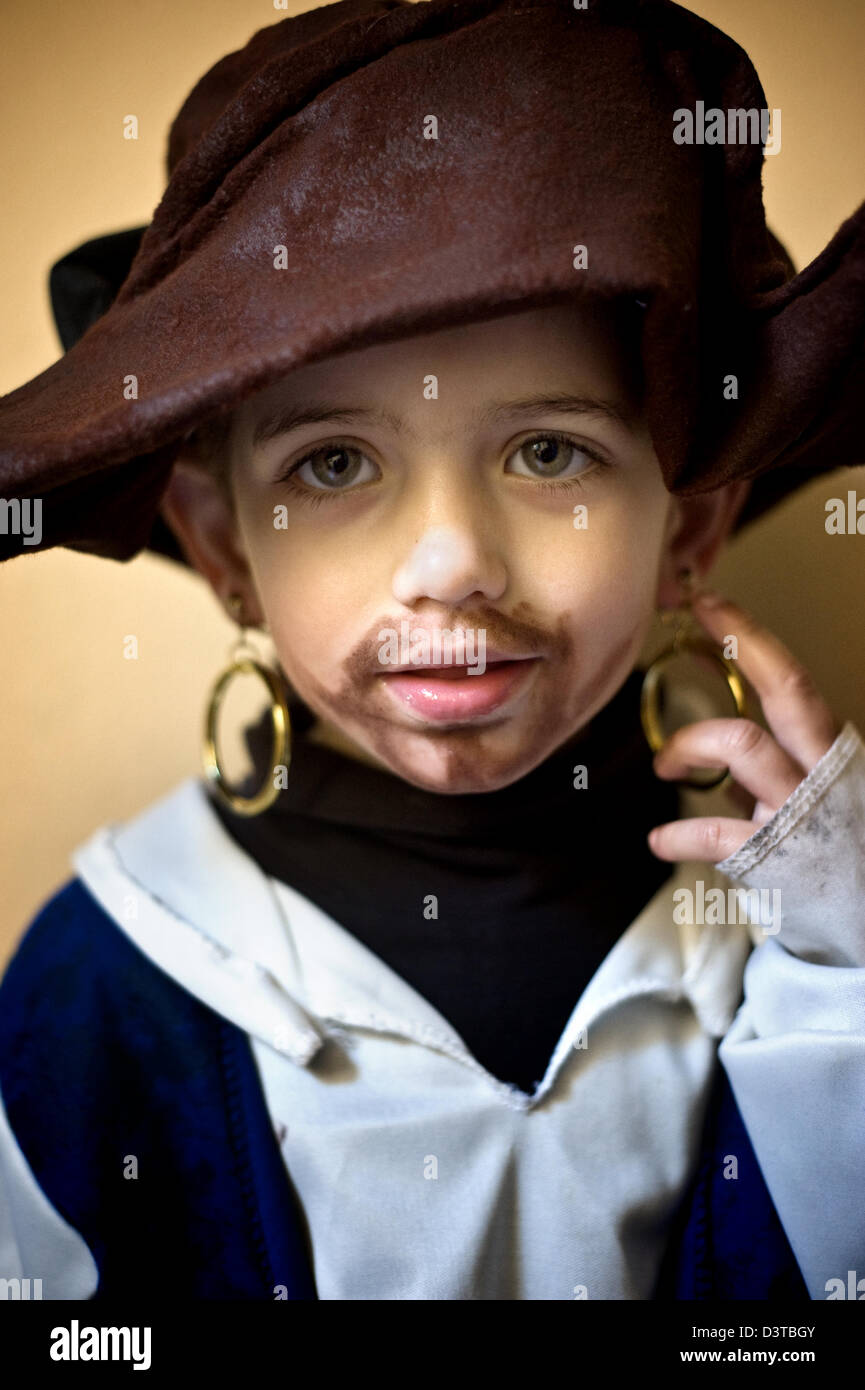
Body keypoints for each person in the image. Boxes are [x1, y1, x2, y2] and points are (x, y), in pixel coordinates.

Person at [0, 0, 863, 1302]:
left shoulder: (802, 946)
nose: (451, 559)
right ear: (224, 546)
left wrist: (849, 972)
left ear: (688, 526)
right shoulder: (103, 983)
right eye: (334, 462)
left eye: (547, 451)